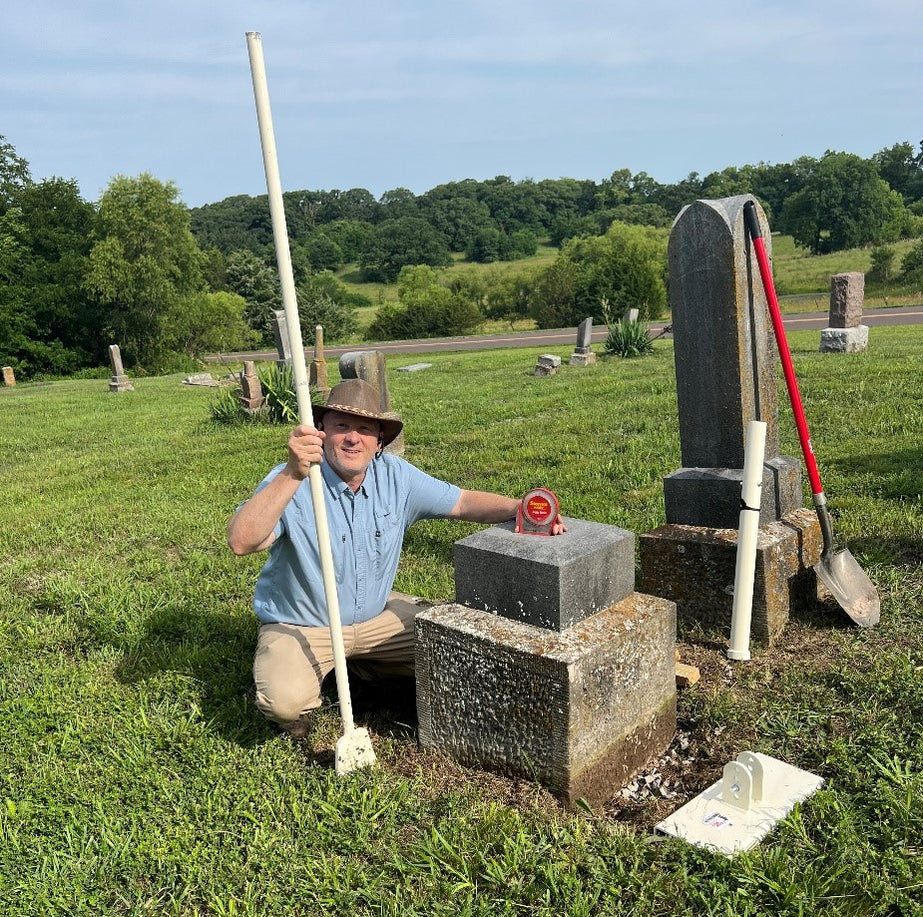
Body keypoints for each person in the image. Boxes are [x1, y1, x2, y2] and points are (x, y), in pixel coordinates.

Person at [228, 378, 565, 736]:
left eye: (364, 429)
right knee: (285, 701)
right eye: (340, 426)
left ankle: (365, 665)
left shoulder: (397, 477)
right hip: (302, 624)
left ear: (379, 442)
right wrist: (291, 473)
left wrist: (521, 508)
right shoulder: (292, 481)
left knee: (457, 647)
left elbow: (463, 501)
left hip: (376, 617)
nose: (352, 438)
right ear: (321, 431)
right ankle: (309, 697)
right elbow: (242, 542)